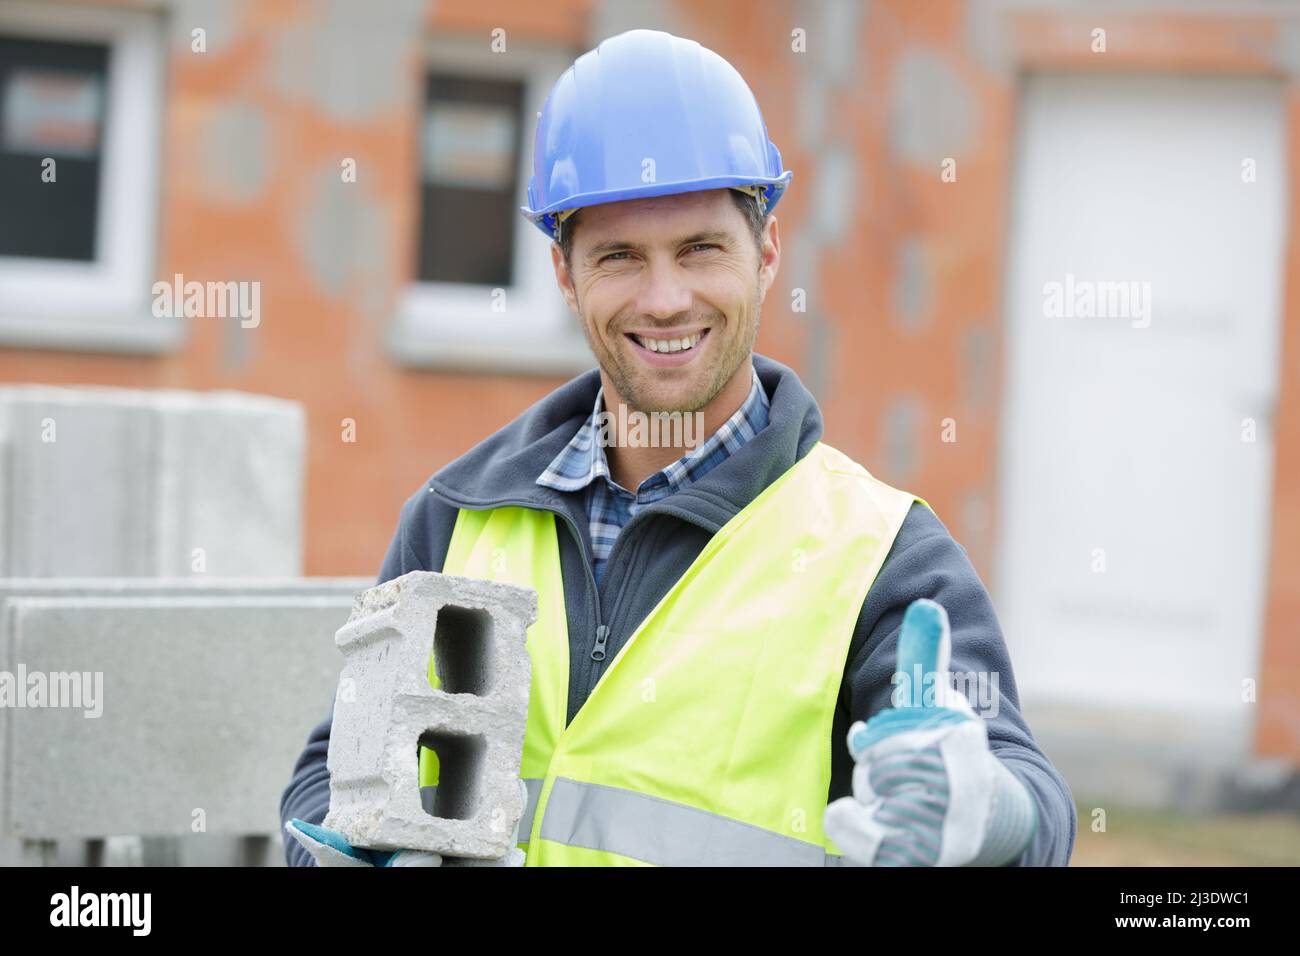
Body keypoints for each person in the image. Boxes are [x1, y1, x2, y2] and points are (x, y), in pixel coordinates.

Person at [281, 28, 1075, 867]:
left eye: (700, 249)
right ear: (564, 274)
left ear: (766, 254)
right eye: (620, 257)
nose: (665, 299)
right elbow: (334, 774)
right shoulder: (456, 517)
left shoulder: (883, 557)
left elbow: (1027, 794)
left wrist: (986, 811)